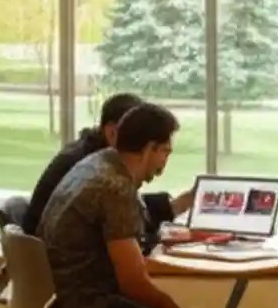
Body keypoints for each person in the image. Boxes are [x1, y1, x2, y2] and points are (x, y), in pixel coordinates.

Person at [36, 103, 191, 308]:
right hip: (82, 306)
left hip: (61, 298)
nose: (164, 163)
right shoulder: (115, 187)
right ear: (149, 148)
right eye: (165, 153)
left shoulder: (96, 164)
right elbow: (133, 282)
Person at [25, 93, 194, 245]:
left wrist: (175, 206)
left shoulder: (94, 161)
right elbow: (130, 270)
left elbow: (123, 214)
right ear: (113, 132)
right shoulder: (109, 180)